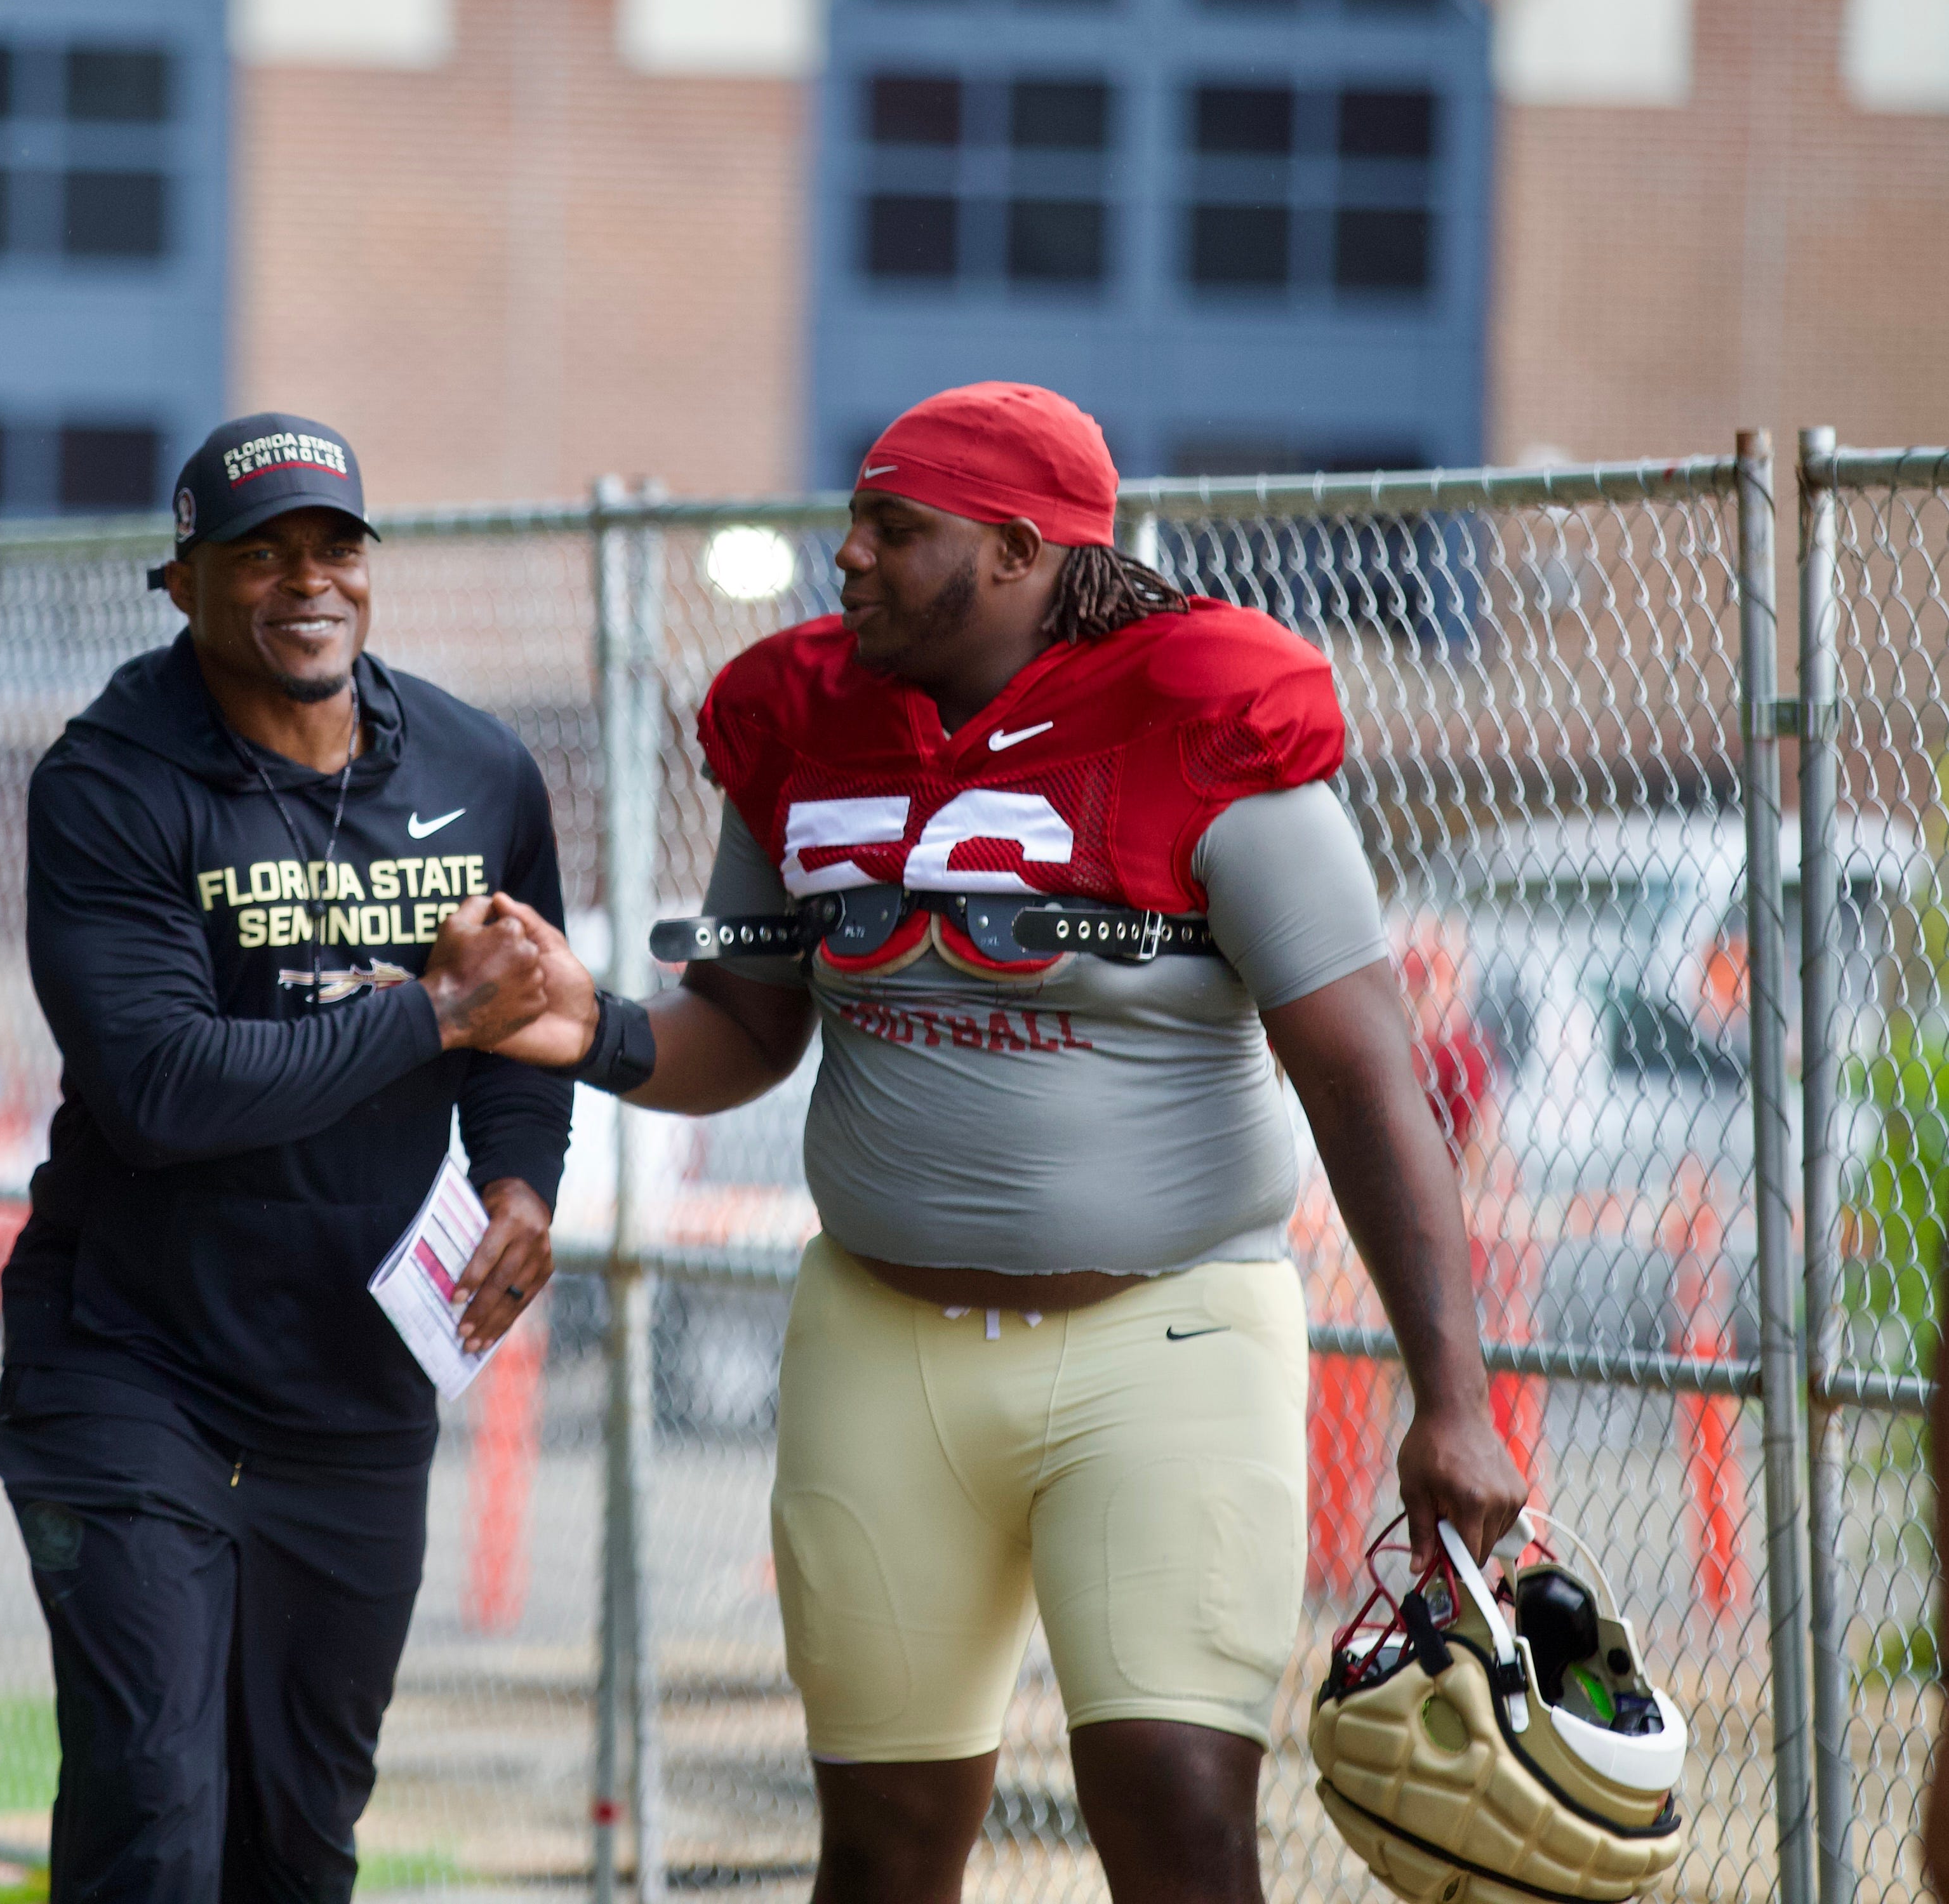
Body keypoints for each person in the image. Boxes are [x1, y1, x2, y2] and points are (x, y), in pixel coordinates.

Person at [495, 383, 1529, 1904]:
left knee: (1180, 1823)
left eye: (893, 529)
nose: (845, 555)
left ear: (1019, 550)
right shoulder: (795, 715)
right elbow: (746, 1020)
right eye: (851, 516)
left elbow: (1367, 1077)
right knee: (885, 1849)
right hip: (881, 1338)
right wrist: (585, 1024)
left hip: (1161, 1335)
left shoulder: (1198, 708)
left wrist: (1455, 1394)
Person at [0, 411, 575, 1902]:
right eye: (258, 555)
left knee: (299, 1838)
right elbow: (166, 1089)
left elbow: (530, 1031)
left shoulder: (478, 767)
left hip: (355, 1372)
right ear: (181, 584)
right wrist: (429, 1015)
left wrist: (518, 1183)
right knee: (155, 1804)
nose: (306, 581)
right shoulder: (111, 782)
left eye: (334, 547)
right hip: (129, 1358)